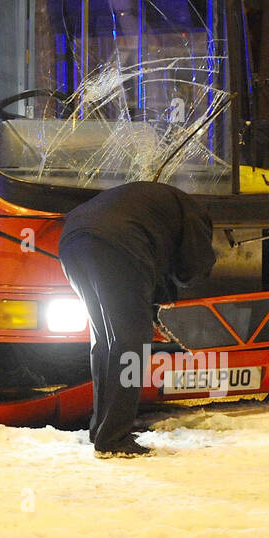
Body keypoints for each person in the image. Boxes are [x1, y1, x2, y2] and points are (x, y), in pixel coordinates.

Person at [58, 181, 216, 456]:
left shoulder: (156, 203)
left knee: (106, 341)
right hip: (117, 243)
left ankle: (102, 428)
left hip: (72, 241)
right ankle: (115, 439)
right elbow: (194, 264)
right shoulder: (194, 213)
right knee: (132, 343)